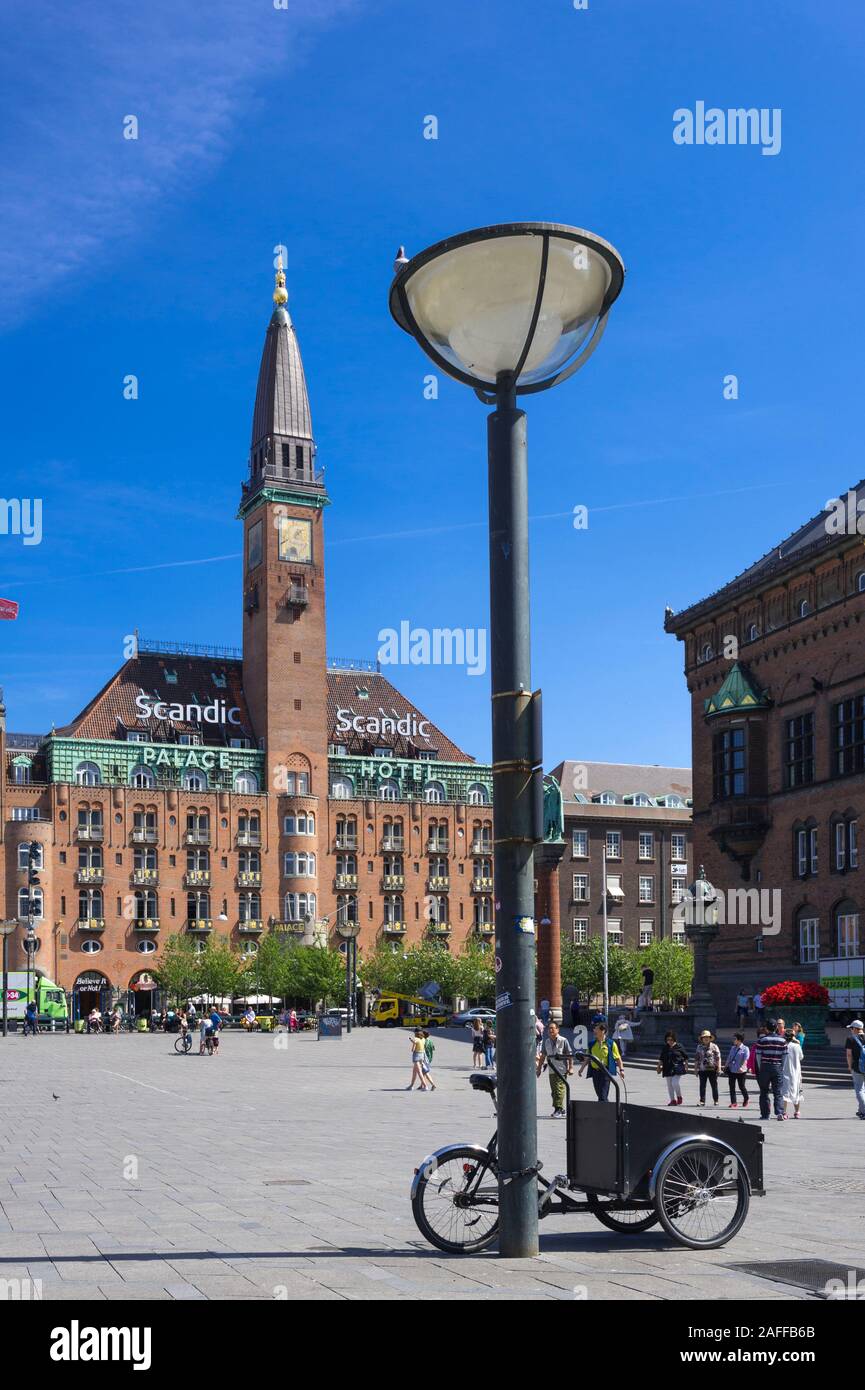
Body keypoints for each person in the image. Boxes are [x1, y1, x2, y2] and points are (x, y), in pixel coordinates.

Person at [578, 1021, 623, 1103]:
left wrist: (621, 1070)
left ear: (603, 1031)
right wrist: (581, 1069)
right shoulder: (591, 1044)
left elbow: (618, 1058)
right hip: (595, 1072)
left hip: (605, 1072)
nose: (594, 1031)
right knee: (600, 1094)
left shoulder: (611, 1043)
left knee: (602, 1095)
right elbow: (587, 1058)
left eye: (596, 1029)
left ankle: (604, 1112)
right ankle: (606, 1110)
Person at [537, 1020, 573, 1117]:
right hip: (552, 1069)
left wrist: (571, 1068)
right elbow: (543, 1056)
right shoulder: (547, 1041)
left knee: (559, 1089)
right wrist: (539, 1068)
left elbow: (569, 1055)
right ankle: (561, 1109)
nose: (550, 1030)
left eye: (553, 1028)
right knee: (554, 1091)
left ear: (558, 1029)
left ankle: (558, 1109)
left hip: (561, 1069)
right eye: (549, 1029)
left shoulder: (563, 1040)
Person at [756, 1017, 788, 1120]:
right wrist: (781, 1067)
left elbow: (758, 1056)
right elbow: (784, 1056)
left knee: (764, 1091)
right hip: (777, 1067)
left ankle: (765, 1115)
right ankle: (779, 1112)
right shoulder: (782, 1040)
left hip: (765, 1067)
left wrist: (761, 1068)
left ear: (767, 1028)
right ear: (776, 1028)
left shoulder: (762, 1040)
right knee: (777, 1092)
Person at [657, 1030, 688, 1106]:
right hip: (667, 1067)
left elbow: (686, 1057)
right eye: (667, 1040)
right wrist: (658, 1067)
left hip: (677, 1068)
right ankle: (672, 1100)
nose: (669, 1041)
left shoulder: (679, 1046)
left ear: (674, 1039)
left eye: (671, 1039)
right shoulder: (665, 1048)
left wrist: (686, 1066)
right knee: (669, 1085)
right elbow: (661, 1058)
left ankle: (679, 1096)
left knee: (675, 1083)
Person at [695, 1030, 721, 1107]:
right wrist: (695, 1069)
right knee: (702, 1086)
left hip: (712, 1069)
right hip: (702, 1069)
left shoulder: (714, 1046)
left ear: (710, 1038)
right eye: (704, 1037)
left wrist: (719, 1068)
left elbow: (718, 1058)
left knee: (714, 1086)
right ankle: (702, 1101)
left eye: (707, 1037)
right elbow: (697, 1058)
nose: (706, 1039)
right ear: (702, 1039)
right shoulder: (699, 1047)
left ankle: (716, 1100)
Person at [845, 1019, 865, 1119]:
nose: (851, 1030)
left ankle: (864, 1111)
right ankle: (860, 1111)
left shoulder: (850, 1039)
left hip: (857, 1067)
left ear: (855, 1029)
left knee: (859, 1090)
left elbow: (849, 1054)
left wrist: (849, 1065)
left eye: (851, 1028)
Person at [724, 1031, 750, 1108]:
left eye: (735, 1039)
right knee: (731, 1086)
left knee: (741, 1086)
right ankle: (734, 1102)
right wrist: (725, 1066)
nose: (733, 1040)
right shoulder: (733, 1048)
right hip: (732, 1070)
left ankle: (746, 1098)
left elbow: (746, 1059)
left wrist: (742, 1067)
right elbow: (729, 1058)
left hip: (741, 1071)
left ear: (739, 1040)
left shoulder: (745, 1049)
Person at [782, 1028, 803, 1118]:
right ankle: (797, 1112)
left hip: (785, 1071)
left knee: (784, 1094)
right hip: (796, 1072)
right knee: (797, 1092)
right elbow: (801, 1057)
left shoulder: (783, 1047)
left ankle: (784, 1112)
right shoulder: (797, 1046)